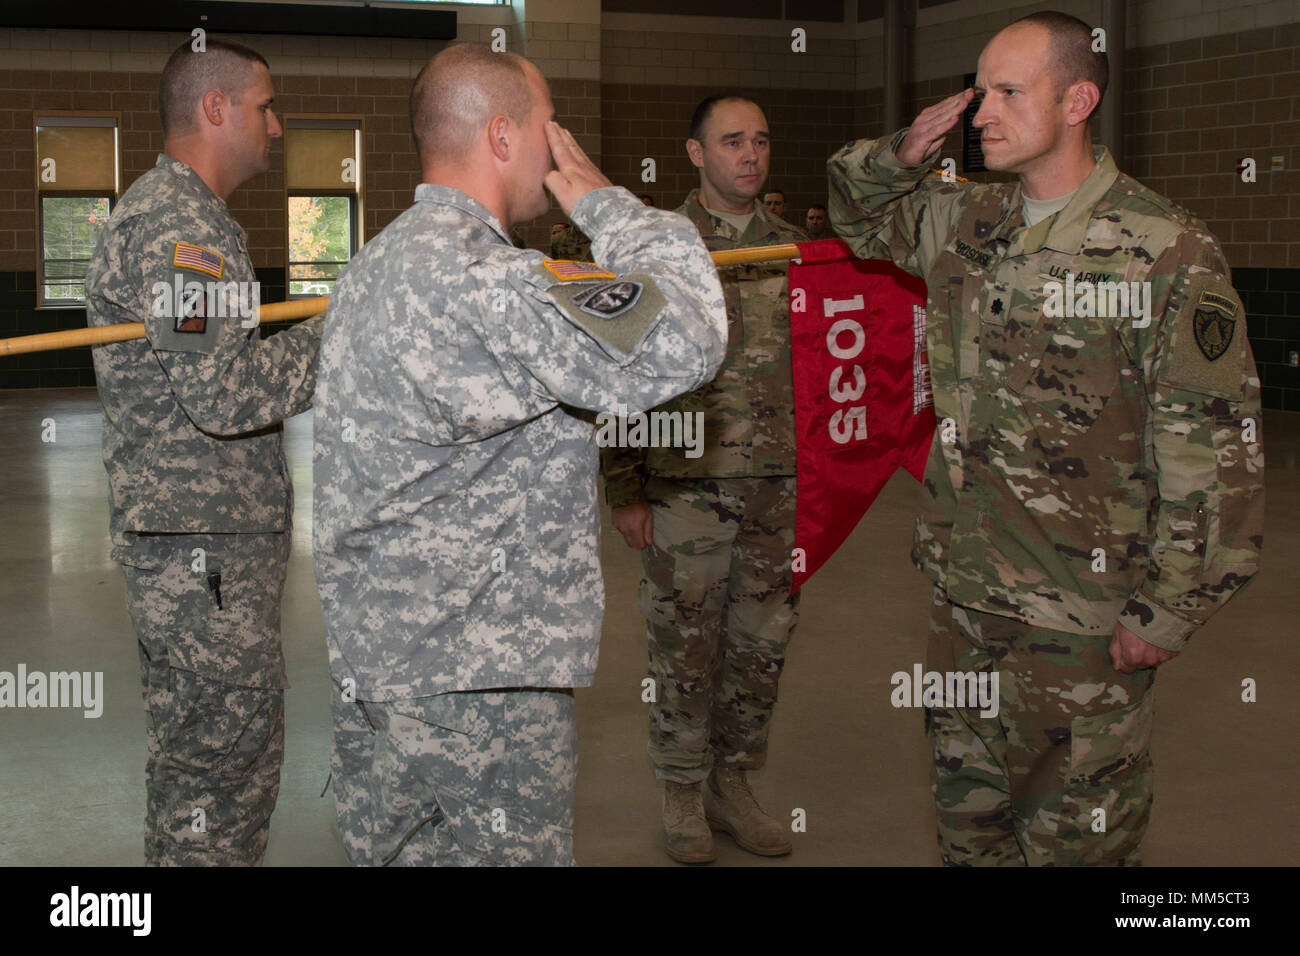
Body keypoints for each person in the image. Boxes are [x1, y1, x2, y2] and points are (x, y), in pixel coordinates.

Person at [828, 10, 1264, 866]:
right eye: (977, 89)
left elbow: (1214, 452)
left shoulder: (1165, 251)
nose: (980, 109)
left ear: (1079, 100)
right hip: (965, 598)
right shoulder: (968, 221)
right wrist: (900, 156)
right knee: (969, 830)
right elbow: (854, 213)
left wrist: (1169, 611)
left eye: (1007, 91)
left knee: (1077, 844)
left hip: (1083, 622)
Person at [312, 44, 726, 867]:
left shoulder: (376, 262)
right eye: (550, 128)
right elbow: (692, 334)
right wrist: (609, 204)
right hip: (477, 679)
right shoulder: (489, 281)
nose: (558, 146)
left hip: (380, 661)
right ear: (503, 137)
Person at [85, 39, 324, 865]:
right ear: (214, 109)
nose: (278, 125)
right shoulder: (180, 227)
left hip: (201, 549)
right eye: (265, 105)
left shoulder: (186, 216)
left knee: (205, 761)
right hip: (203, 557)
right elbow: (224, 394)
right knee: (220, 768)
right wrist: (342, 337)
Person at [602, 95, 806, 864]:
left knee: (761, 647)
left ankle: (734, 782)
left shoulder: (797, 250)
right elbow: (620, 370)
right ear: (695, 154)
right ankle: (682, 791)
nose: (750, 155)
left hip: (780, 486)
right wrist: (624, 487)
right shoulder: (660, 248)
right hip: (689, 482)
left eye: (760, 140)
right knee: (684, 645)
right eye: (731, 142)